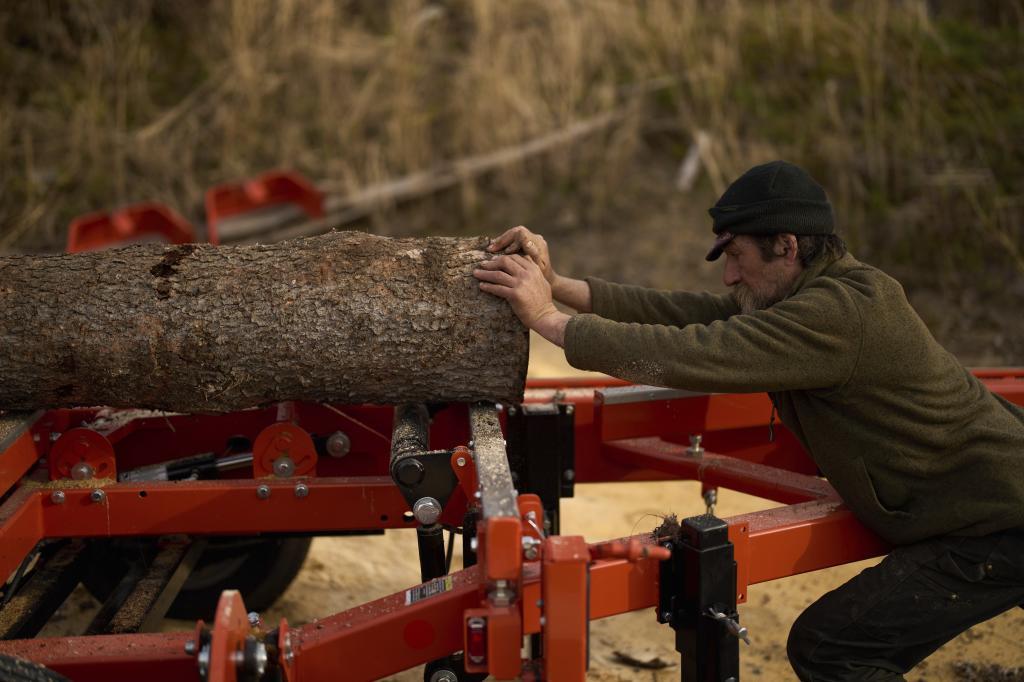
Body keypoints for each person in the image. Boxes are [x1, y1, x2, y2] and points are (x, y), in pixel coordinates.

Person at [472, 160, 1024, 681]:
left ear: (786, 245)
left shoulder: (836, 314)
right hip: (988, 504)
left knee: (833, 647)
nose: (730, 275)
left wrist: (547, 319)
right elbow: (687, 314)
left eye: (737, 257)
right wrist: (561, 285)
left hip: (999, 522)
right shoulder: (820, 292)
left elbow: (696, 351)